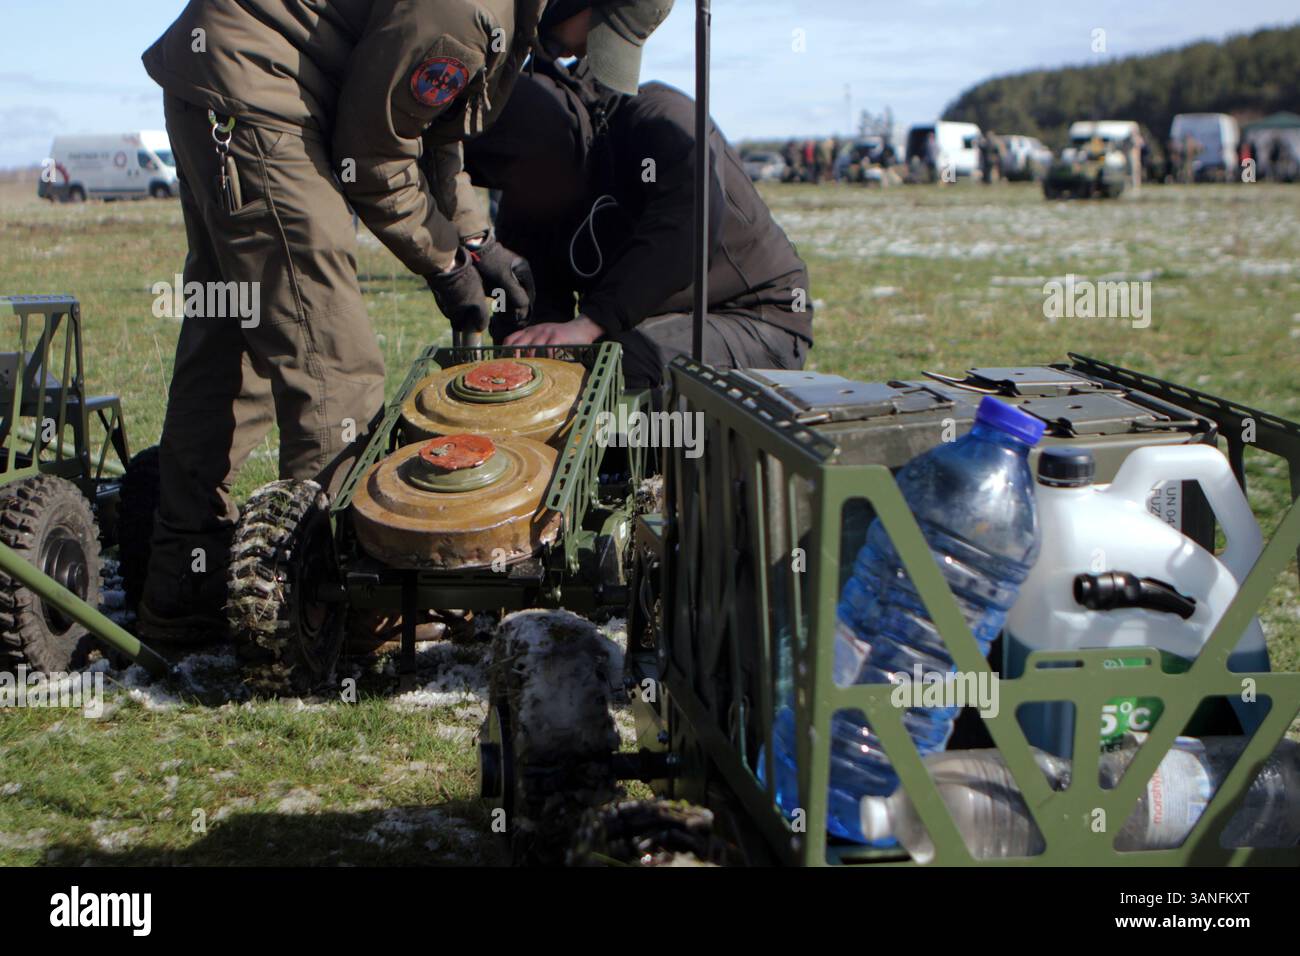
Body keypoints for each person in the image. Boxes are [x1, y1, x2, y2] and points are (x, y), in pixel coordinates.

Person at [135, 0, 673, 641]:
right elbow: (371, 158)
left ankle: (183, 587)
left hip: (226, 81)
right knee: (331, 357)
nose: (584, 56)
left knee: (231, 343)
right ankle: (357, 601)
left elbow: (433, 133)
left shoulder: (497, 15)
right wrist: (445, 262)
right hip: (262, 96)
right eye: (598, 35)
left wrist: (477, 242)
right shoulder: (469, 10)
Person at [463, 58, 813, 388]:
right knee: (542, 380)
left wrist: (590, 323)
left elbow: (686, 230)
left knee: (614, 366)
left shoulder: (659, 120)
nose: (526, 192)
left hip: (751, 315)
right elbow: (534, 294)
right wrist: (529, 348)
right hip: (632, 322)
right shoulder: (527, 178)